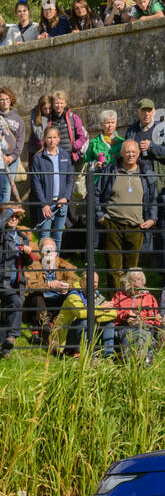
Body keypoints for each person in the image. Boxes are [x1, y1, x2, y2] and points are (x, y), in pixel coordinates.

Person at [95, 139, 157, 287]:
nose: (130, 155)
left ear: (138, 154)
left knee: (133, 270)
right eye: (127, 152)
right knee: (114, 268)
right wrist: (100, 216)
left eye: (133, 152)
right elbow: (96, 192)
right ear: (121, 153)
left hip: (137, 226)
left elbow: (153, 197)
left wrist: (153, 218)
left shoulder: (146, 172)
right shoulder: (111, 170)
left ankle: (130, 304)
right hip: (112, 224)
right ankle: (115, 304)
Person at [24, 236, 80, 351]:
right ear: (40, 253)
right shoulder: (34, 266)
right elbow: (29, 286)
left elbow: (77, 281)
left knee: (71, 294)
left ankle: (51, 333)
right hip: (40, 305)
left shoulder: (63, 265)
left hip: (58, 303)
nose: (49, 253)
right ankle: (46, 329)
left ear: (56, 253)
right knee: (35, 295)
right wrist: (48, 286)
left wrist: (64, 285)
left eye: (52, 250)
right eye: (45, 250)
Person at [30, 127, 74, 252]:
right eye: (49, 137)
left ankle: (55, 266)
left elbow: (70, 178)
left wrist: (65, 197)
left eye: (55, 137)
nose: (52, 140)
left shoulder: (65, 155)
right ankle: (42, 267)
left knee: (58, 236)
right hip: (46, 205)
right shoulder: (38, 158)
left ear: (59, 139)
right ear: (44, 139)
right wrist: (43, 204)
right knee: (44, 236)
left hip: (61, 203)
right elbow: (35, 182)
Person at [0, 204, 33, 358]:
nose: (13, 219)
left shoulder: (22, 237)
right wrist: (11, 210)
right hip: (3, 280)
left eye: (16, 217)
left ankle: (5, 349)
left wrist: (27, 253)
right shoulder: (2, 233)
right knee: (16, 303)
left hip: (17, 281)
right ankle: (12, 336)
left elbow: (27, 263)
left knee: (9, 313)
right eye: (11, 216)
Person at [110, 267, 160, 361]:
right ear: (128, 282)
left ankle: (143, 361)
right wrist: (126, 315)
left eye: (139, 279)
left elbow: (155, 319)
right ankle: (131, 361)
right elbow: (113, 311)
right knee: (130, 335)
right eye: (134, 280)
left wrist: (141, 321)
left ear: (143, 281)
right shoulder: (120, 295)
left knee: (141, 334)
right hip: (124, 326)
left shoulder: (149, 297)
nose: (137, 282)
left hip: (143, 327)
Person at [124, 99, 165, 176]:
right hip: (136, 175)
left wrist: (151, 147)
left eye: (149, 110)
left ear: (154, 112)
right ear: (138, 112)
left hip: (156, 177)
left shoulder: (163, 129)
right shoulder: (131, 130)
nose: (147, 114)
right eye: (143, 110)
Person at [0, 87, 23, 204]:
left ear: (11, 100)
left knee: (6, 189)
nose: (4, 102)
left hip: (11, 160)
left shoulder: (18, 119)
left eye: (7, 99)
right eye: (1, 99)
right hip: (0, 157)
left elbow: (20, 141)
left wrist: (12, 157)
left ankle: (3, 218)